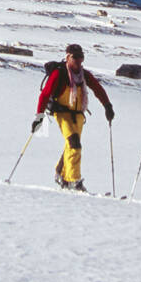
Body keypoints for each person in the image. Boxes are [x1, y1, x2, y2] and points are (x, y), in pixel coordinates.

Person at [32, 43, 114, 192]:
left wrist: (107, 106)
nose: (78, 60)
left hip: (79, 115)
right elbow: (45, 94)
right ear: (68, 57)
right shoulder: (59, 73)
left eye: (81, 57)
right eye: (75, 57)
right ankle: (73, 181)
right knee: (74, 143)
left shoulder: (84, 74)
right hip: (62, 113)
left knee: (71, 145)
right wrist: (39, 116)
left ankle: (60, 172)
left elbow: (97, 88)